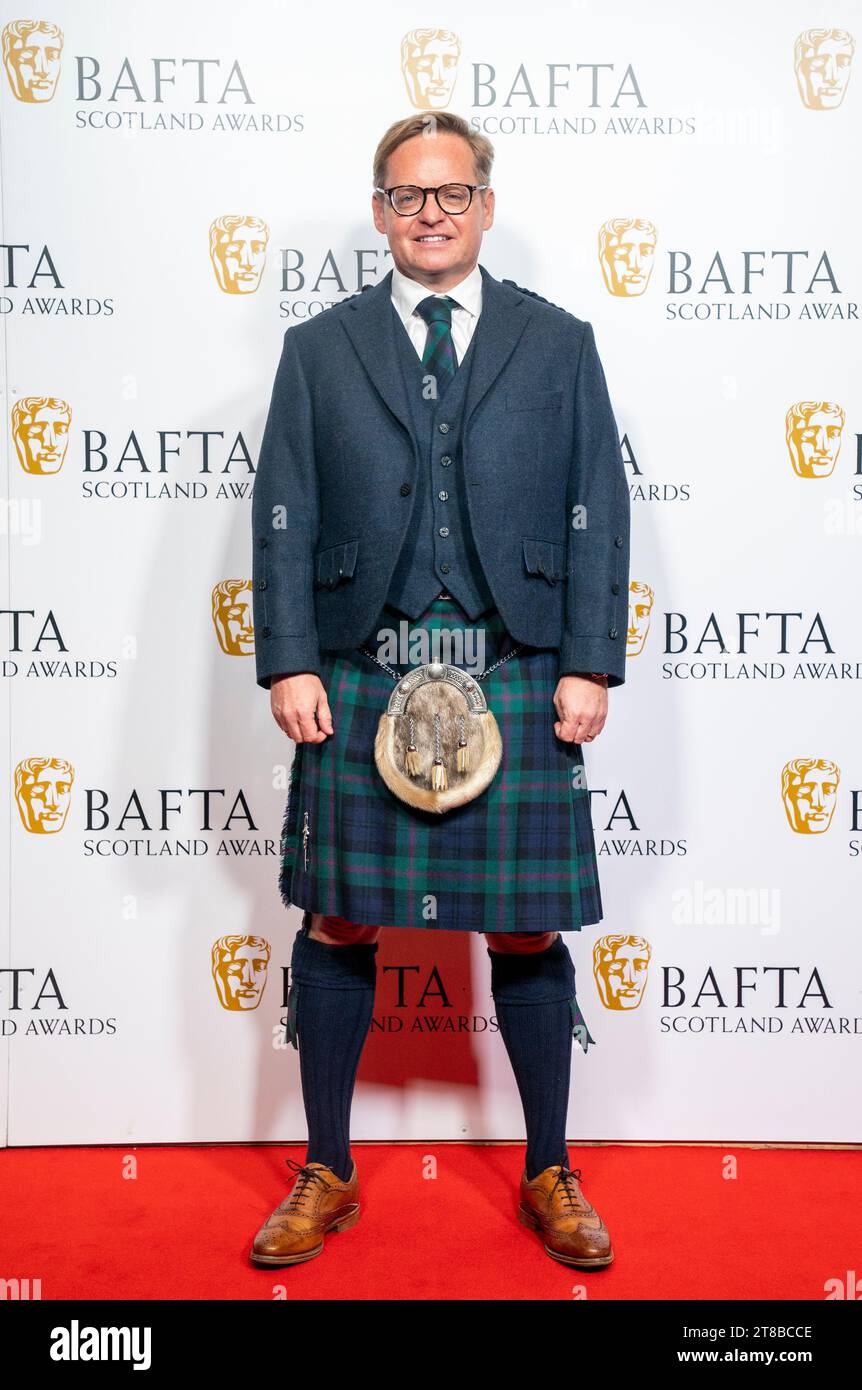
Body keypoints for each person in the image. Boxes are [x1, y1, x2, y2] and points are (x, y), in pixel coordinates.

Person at [249, 112, 631, 1270]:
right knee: (337, 914)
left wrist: (587, 660)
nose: (431, 213)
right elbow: (284, 514)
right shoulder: (318, 349)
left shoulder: (558, 344)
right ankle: (328, 1166)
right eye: (408, 196)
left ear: (486, 206)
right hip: (363, 667)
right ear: (378, 211)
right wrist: (290, 656)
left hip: (515, 667)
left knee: (526, 925)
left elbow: (598, 510)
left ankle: (549, 1167)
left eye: (452, 193)